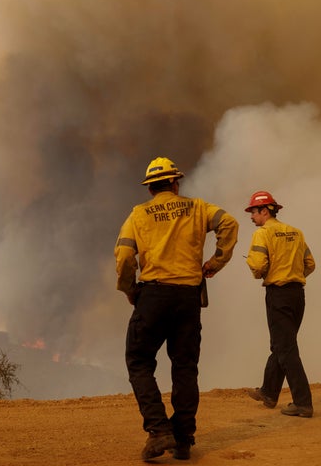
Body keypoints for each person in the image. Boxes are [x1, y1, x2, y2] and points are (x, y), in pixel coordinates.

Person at [115, 156, 239, 461]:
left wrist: (130, 290)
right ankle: (183, 438)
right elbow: (229, 223)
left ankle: (159, 431)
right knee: (185, 367)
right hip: (188, 297)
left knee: (139, 360)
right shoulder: (198, 208)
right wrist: (215, 262)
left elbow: (124, 255)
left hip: (154, 295)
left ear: (150, 189)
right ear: (175, 182)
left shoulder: (139, 214)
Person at [243, 190, 316, 418]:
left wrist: (269, 273)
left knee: (286, 349)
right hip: (297, 295)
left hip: (278, 295)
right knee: (282, 344)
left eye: (253, 212)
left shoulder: (263, 234)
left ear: (265, 211)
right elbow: (310, 264)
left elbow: (257, 267)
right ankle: (268, 392)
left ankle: (303, 402)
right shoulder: (296, 233)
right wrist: (292, 274)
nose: (251, 217)